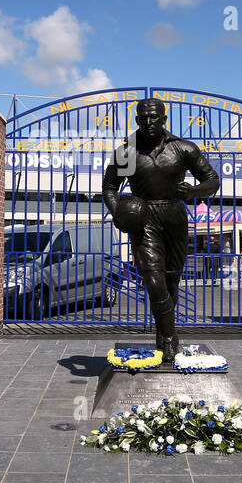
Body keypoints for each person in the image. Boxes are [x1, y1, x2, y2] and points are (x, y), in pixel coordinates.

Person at [102, 97, 220, 357]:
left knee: (170, 281)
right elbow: (110, 187)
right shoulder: (127, 153)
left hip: (175, 216)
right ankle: (169, 338)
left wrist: (194, 191)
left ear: (164, 119)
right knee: (153, 279)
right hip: (144, 220)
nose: (148, 122)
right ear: (136, 120)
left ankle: (162, 331)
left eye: (154, 117)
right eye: (143, 117)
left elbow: (212, 179)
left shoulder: (183, 148)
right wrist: (119, 214)